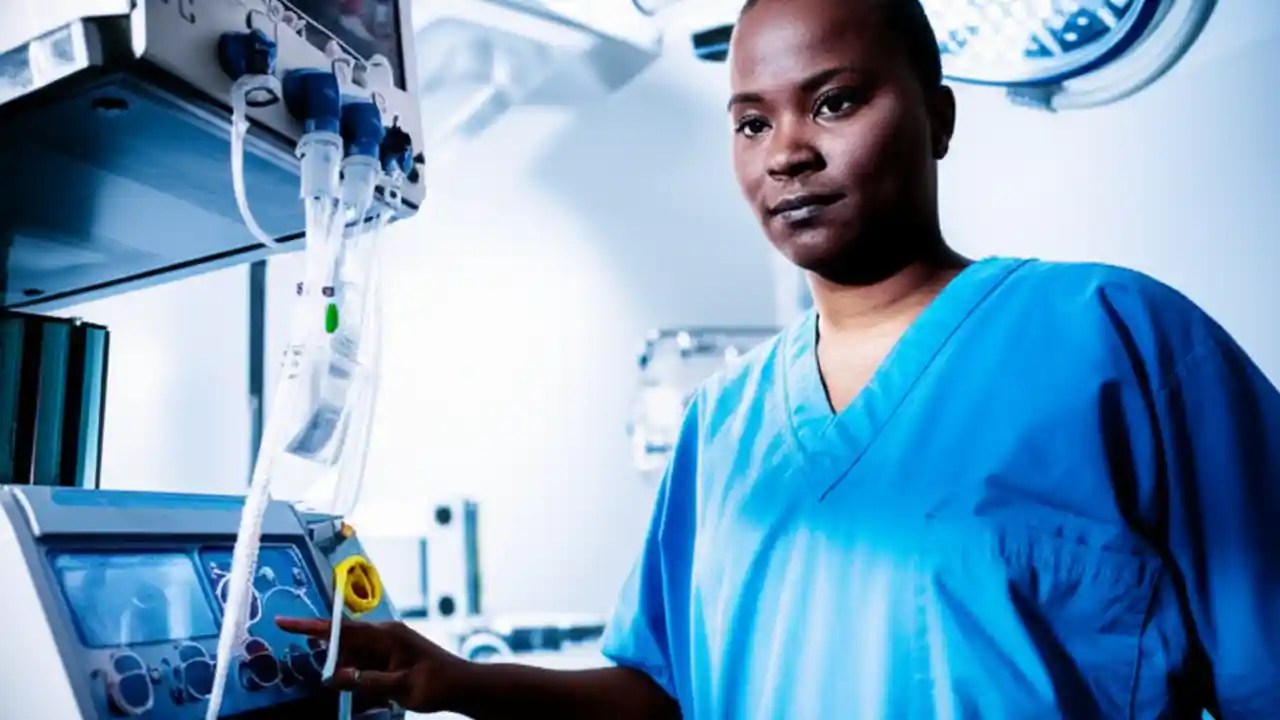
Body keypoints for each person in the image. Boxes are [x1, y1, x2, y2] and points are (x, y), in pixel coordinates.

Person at [278, 0, 1280, 716]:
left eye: (833, 103)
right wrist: (453, 679)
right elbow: (662, 687)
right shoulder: (722, 424)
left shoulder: (1119, 339)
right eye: (750, 122)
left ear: (937, 116)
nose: (783, 152)